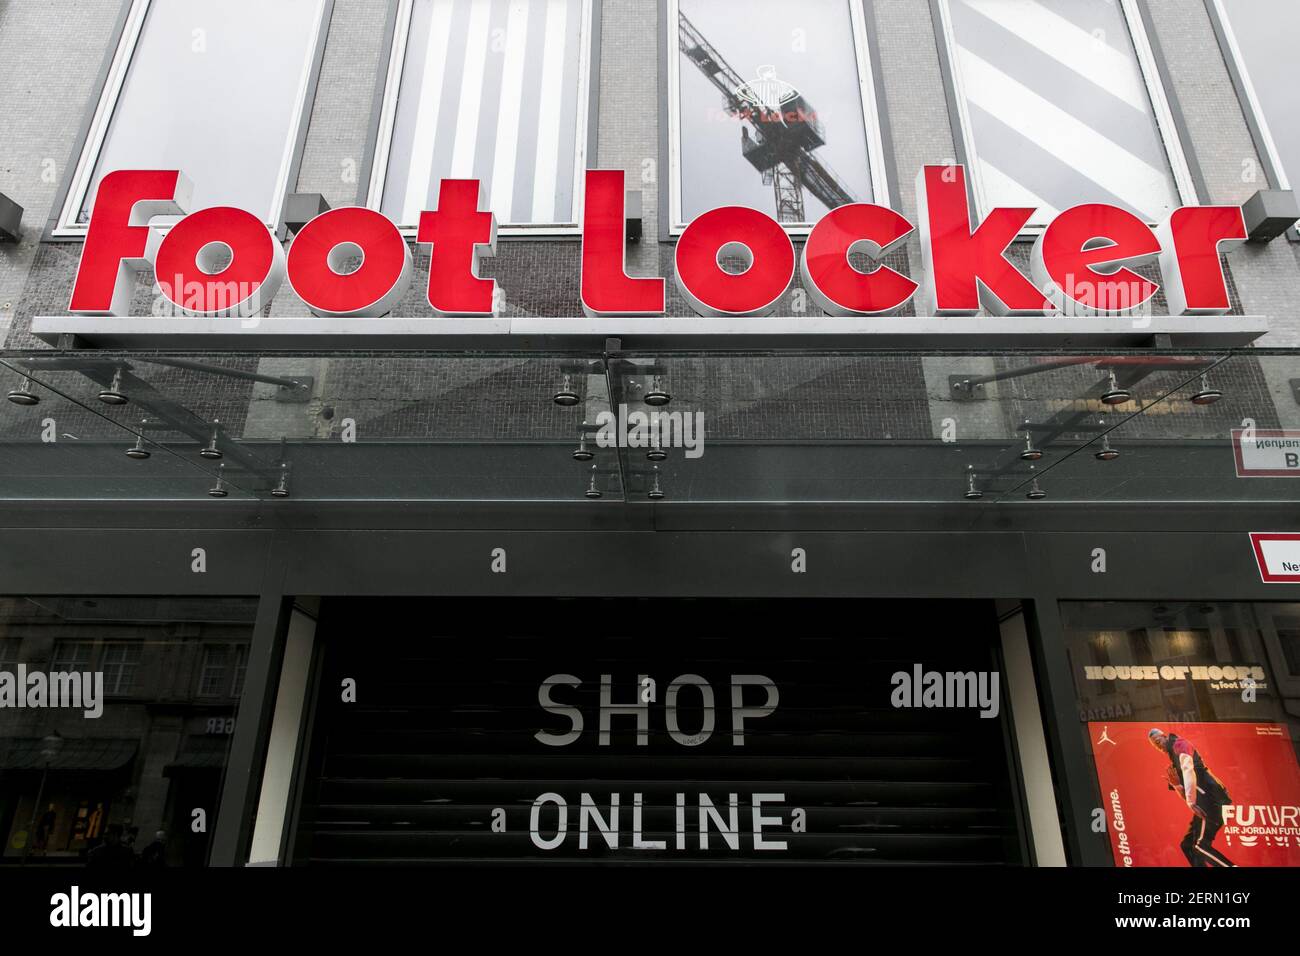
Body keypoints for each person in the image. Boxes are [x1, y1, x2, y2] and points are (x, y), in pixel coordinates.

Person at [1148, 728, 1235, 867]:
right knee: (1187, 845)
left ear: (1164, 736)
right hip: (1204, 804)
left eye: (1158, 741)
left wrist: (1190, 801)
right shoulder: (1174, 764)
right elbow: (1185, 794)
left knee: (1200, 847)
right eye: (1155, 745)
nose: (1158, 746)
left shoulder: (1179, 744)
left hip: (1215, 801)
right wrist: (1176, 785)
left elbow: (1189, 770)